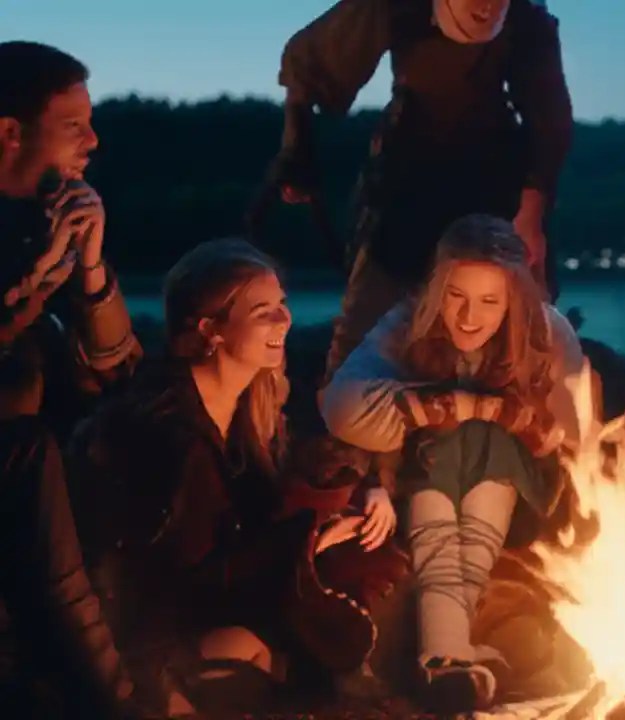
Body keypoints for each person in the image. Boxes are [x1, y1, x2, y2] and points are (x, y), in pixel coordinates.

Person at [70, 239, 391, 715]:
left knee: (371, 552)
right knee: (245, 655)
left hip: (226, 594)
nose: (284, 319)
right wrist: (309, 540)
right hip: (163, 630)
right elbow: (182, 577)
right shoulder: (170, 434)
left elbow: (313, 455)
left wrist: (370, 488)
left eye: (282, 304)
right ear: (210, 330)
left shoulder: (254, 401)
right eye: (264, 311)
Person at [321, 214, 589, 711]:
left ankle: (444, 648)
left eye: (489, 301)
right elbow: (341, 407)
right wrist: (465, 406)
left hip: (516, 494)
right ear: (437, 289)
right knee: (454, 431)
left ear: (513, 299)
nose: (469, 316)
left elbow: (575, 437)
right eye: (456, 297)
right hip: (428, 486)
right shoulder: (407, 325)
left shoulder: (546, 333)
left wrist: (505, 418)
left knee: (481, 434)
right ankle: (451, 660)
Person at [271, 0, 573, 379]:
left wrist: (531, 216)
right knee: (363, 339)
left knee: (521, 341)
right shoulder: (398, 7)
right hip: (406, 182)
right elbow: (309, 63)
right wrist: (296, 150)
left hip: (494, 184)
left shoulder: (525, 21)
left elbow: (550, 120)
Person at [0, 40, 145, 717]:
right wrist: (39, 276)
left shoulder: (40, 225)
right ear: (9, 133)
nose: (93, 139)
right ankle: (108, 700)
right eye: (72, 125)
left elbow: (118, 378)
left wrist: (88, 267)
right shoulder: (26, 243)